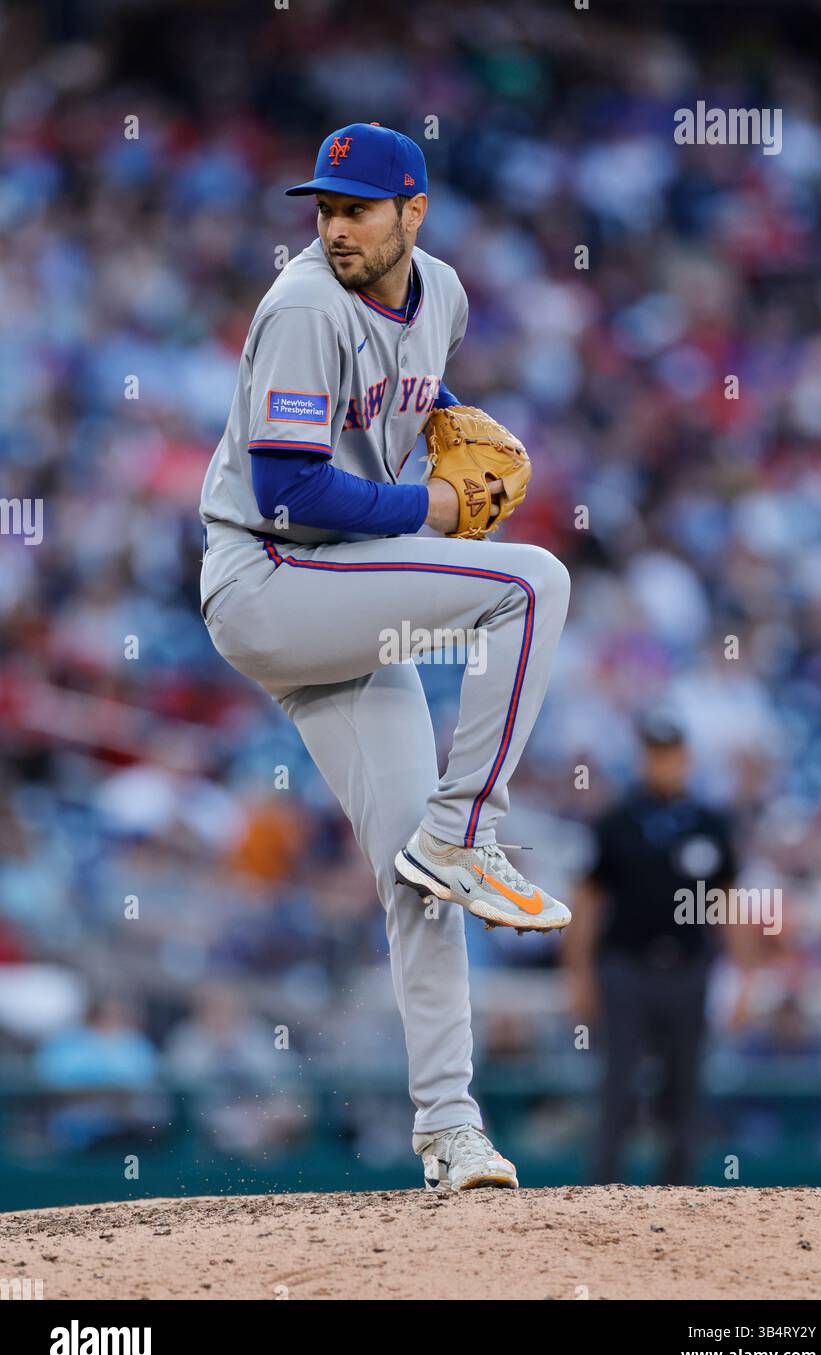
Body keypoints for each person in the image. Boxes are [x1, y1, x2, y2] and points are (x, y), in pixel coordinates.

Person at [198, 123, 572, 1191]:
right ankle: (469, 827)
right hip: (270, 577)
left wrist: (453, 426)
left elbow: (412, 398)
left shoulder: (440, 295)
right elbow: (287, 490)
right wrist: (437, 505)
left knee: (417, 880)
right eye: (323, 208)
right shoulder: (306, 305)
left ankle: (450, 1132)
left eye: (355, 207)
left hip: (342, 607)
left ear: (413, 210)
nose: (334, 226)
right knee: (528, 583)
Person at [564, 713, 737, 1185]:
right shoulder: (615, 823)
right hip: (625, 969)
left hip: (688, 968)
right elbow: (588, 900)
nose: (664, 765)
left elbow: (728, 901)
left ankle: (678, 1195)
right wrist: (578, 975)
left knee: (685, 1086)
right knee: (617, 1084)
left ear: (686, 759)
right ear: (644, 760)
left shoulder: (711, 824)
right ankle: (603, 1192)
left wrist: (744, 977)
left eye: (671, 755)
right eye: (655, 755)